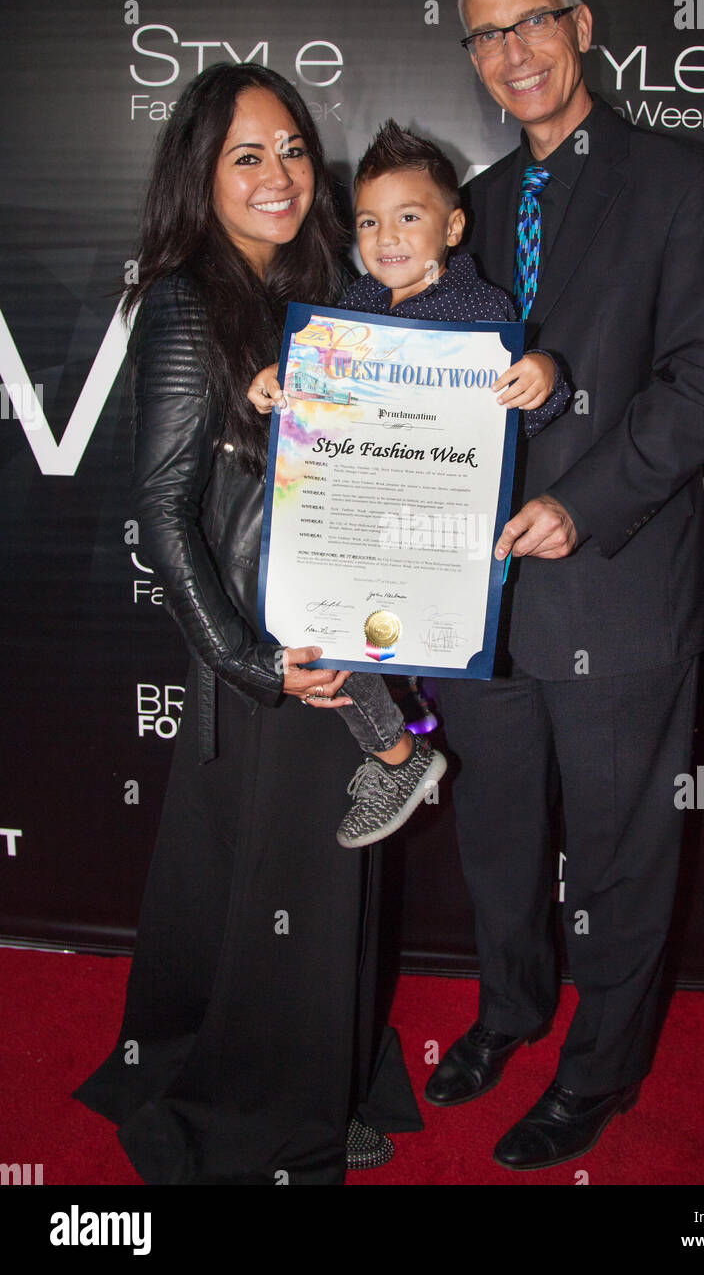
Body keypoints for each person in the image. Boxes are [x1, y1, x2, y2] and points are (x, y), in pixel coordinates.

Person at [420, 0, 704, 1170]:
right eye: (486, 35)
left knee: (616, 859)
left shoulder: (687, 181)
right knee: (498, 839)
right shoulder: (479, 202)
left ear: (580, 26)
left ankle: (598, 1074)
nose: (512, 52)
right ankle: (507, 1012)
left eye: (531, 24)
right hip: (481, 593)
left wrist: (585, 499)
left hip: (612, 585)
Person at [73, 63, 420, 1185]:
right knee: (294, 887)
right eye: (245, 156)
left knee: (291, 880)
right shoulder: (187, 301)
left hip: (325, 629)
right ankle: (273, 1113)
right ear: (201, 175)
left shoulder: (305, 287)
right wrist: (253, 664)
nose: (277, 175)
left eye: (289, 149)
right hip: (275, 650)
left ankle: (304, 1069)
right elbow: (162, 509)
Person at [249, 118, 572, 849]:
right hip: (354, 523)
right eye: (369, 221)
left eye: (409, 216)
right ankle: (395, 751)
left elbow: (534, 415)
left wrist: (544, 378)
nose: (386, 236)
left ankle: (398, 754)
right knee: (311, 627)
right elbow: (311, 401)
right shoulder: (348, 308)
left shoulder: (484, 313)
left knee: (408, 643)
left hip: (438, 534)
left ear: (453, 226)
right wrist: (279, 381)